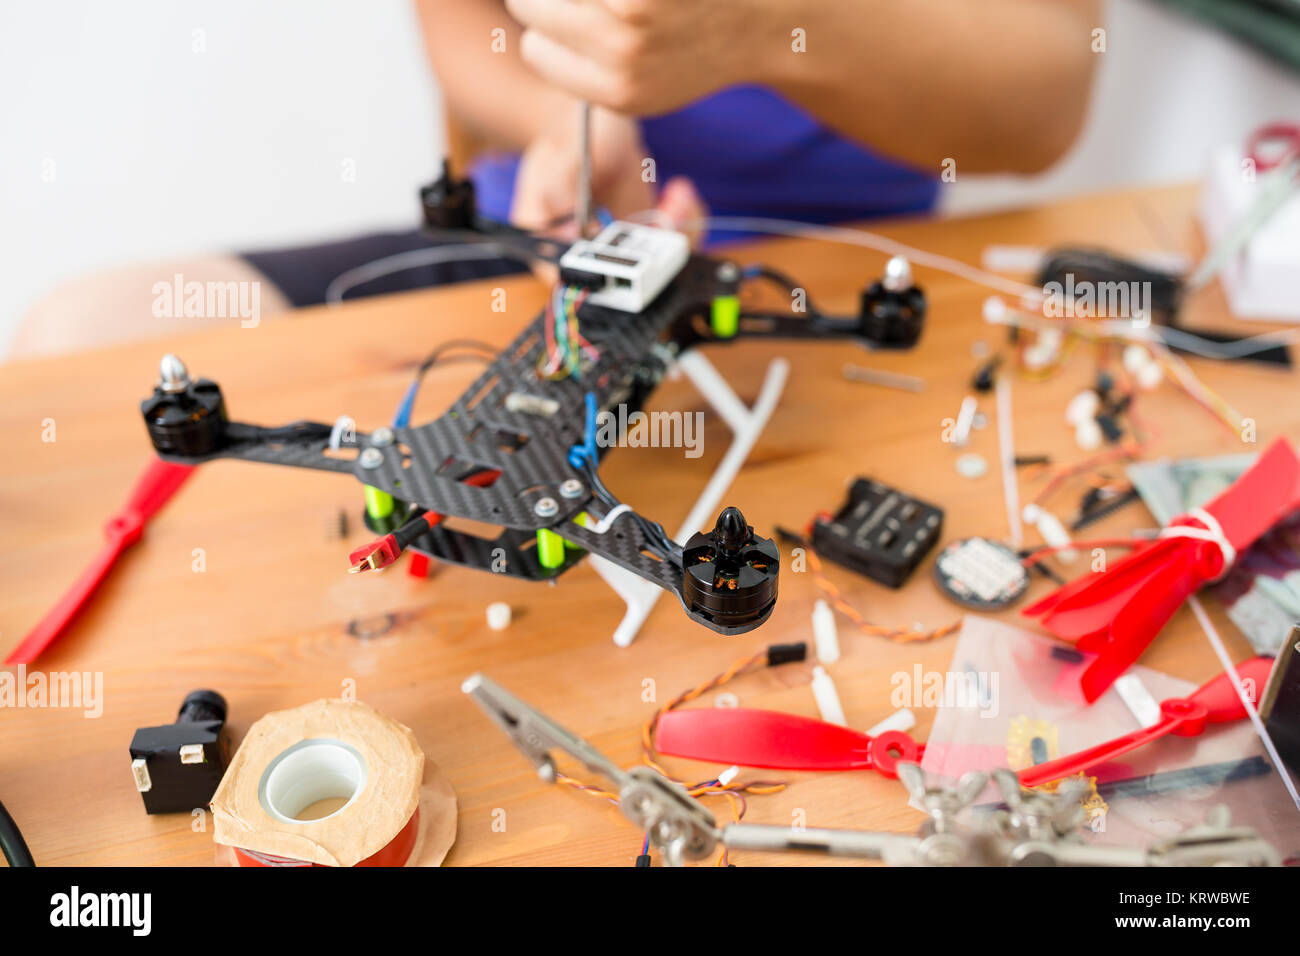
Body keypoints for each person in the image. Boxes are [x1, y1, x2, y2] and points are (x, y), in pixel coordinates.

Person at [11, 0, 1099, 357]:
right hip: (532, 240)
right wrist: (569, 114)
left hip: (839, 283)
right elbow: (456, 20)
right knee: (79, 329)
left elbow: (1051, 89)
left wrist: (771, 25)